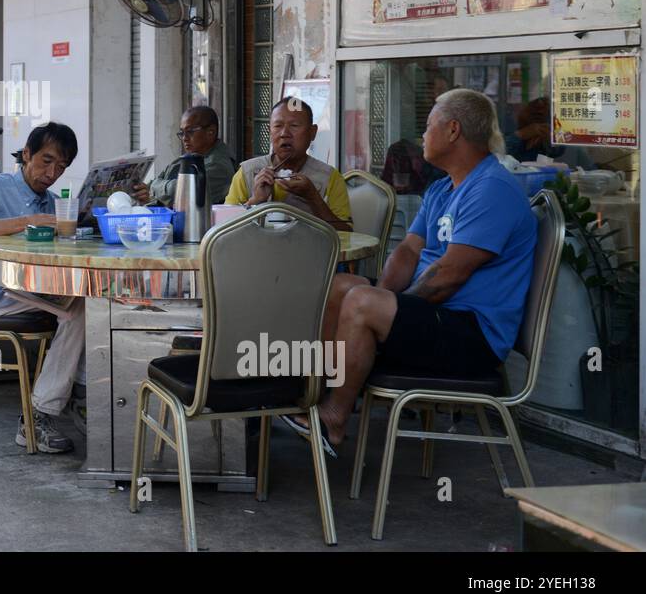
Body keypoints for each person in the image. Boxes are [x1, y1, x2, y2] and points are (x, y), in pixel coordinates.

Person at [289, 89, 538, 456]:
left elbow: (448, 275)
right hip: (438, 317)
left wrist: (390, 310)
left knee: (361, 302)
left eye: (428, 126)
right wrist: (387, 300)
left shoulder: (492, 190)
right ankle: (316, 393)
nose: (423, 135)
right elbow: (408, 250)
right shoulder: (442, 188)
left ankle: (334, 417)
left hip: (472, 336)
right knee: (339, 286)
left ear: (453, 131)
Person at [0, 121, 85, 453]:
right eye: (46, 160)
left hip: (39, 289)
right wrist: (23, 223)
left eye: (61, 166)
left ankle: (81, 396)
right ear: (26, 154)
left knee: (103, 300)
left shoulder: (52, 202)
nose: (52, 172)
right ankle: (37, 418)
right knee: (80, 312)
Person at [225, 97, 352, 230]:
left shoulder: (329, 177)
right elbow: (223, 230)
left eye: (294, 126)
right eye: (278, 126)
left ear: (312, 132)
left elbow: (348, 234)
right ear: (270, 131)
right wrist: (256, 201)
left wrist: (313, 198)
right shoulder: (248, 172)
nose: (284, 134)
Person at [133, 105, 236, 206]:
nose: (184, 138)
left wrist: (153, 190)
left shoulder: (220, 166)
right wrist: (146, 192)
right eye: (182, 133)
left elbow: (180, 192)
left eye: (190, 131)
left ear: (211, 132)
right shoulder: (191, 157)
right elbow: (157, 183)